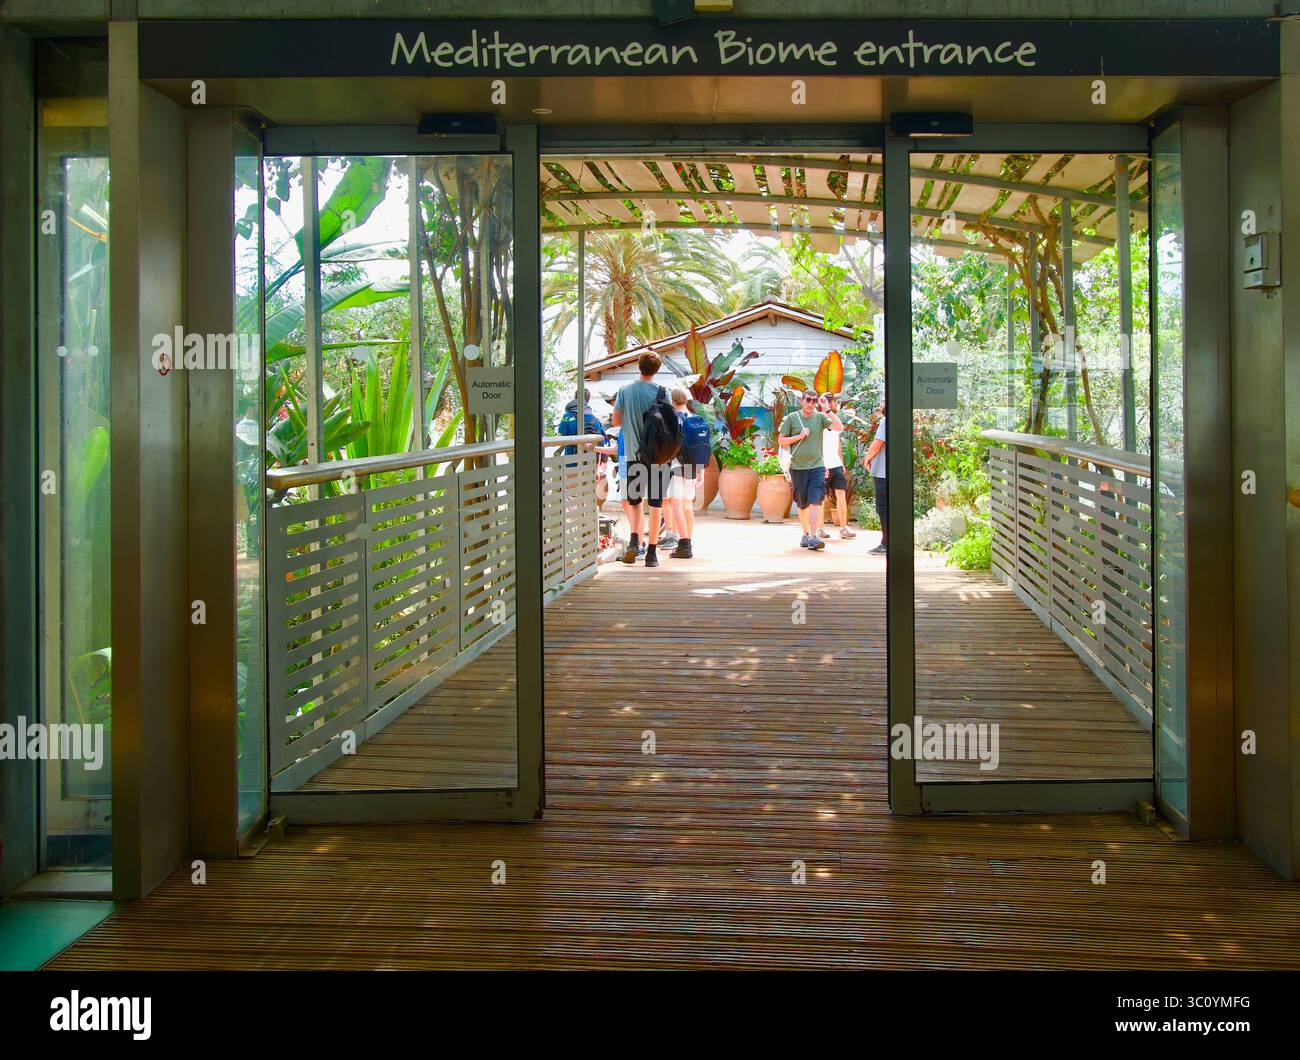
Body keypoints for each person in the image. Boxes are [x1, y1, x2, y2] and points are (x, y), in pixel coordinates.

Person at [612, 351, 670, 567]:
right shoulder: (664, 392)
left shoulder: (625, 390)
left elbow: (616, 422)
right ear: (657, 369)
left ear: (639, 366)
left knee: (634, 503)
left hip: (634, 455)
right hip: (659, 458)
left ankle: (634, 542)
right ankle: (652, 554)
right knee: (656, 505)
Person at [778, 388, 843, 551]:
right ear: (802, 400)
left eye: (814, 401)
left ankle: (814, 537)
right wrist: (799, 436)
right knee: (802, 504)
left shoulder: (820, 417)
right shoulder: (792, 418)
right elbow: (782, 440)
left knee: (816, 500)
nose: (811, 403)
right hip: (798, 467)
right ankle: (806, 534)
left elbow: (839, 427)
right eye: (808, 400)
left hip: (817, 466)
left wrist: (826, 408)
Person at [664, 387, 703, 559]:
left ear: (672, 402)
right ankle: (688, 541)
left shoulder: (674, 419)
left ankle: (684, 544)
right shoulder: (696, 419)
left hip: (677, 465)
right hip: (693, 467)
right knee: (687, 506)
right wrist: (701, 470)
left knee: (676, 504)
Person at [817, 392, 856, 541]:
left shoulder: (834, 419)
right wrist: (821, 463)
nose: (831, 404)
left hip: (836, 465)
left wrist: (841, 463)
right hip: (823, 465)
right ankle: (820, 528)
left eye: (830, 402)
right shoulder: (818, 419)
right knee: (821, 498)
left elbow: (838, 440)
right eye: (827, 402)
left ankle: (843, 528)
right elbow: (816, 445)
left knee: (841, 495)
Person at [861, 401, 887, 556]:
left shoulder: (885, 421)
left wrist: (867, 458)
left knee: (882, 509)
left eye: (883, 401)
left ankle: (885, 543)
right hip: (889, 472)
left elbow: (877, 443)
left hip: (882, 473)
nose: (880, 403)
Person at [557, 388, 608, 458]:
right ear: (588, 400)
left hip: (571, 461)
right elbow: (603, 441)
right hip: (591, 462)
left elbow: (560, 437)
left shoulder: (567, 417)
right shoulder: (595, 420)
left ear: (575, 398)